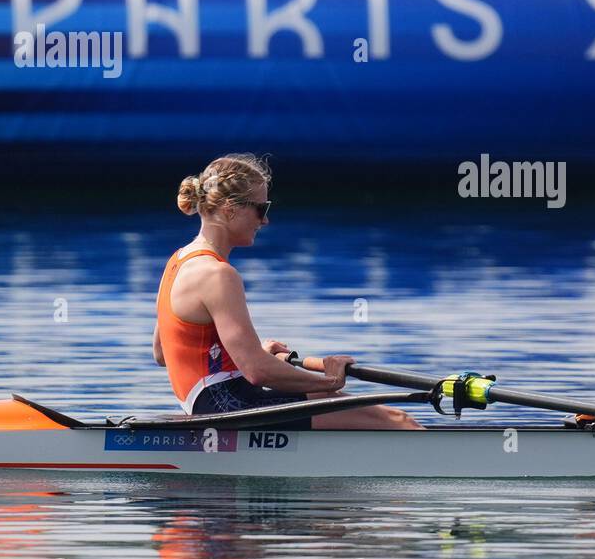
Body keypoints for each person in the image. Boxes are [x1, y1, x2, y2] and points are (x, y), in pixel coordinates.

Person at [152, 153, 421, 429]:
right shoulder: (219, 275)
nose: (265, 221)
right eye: (261, 209)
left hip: (215, 402)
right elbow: (257, 371)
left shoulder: (177, 261)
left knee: (352, 406)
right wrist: (329, 380)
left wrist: (253, 352)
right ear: (230, 209)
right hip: (229, 406)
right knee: (398, 421)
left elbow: (163, 353)